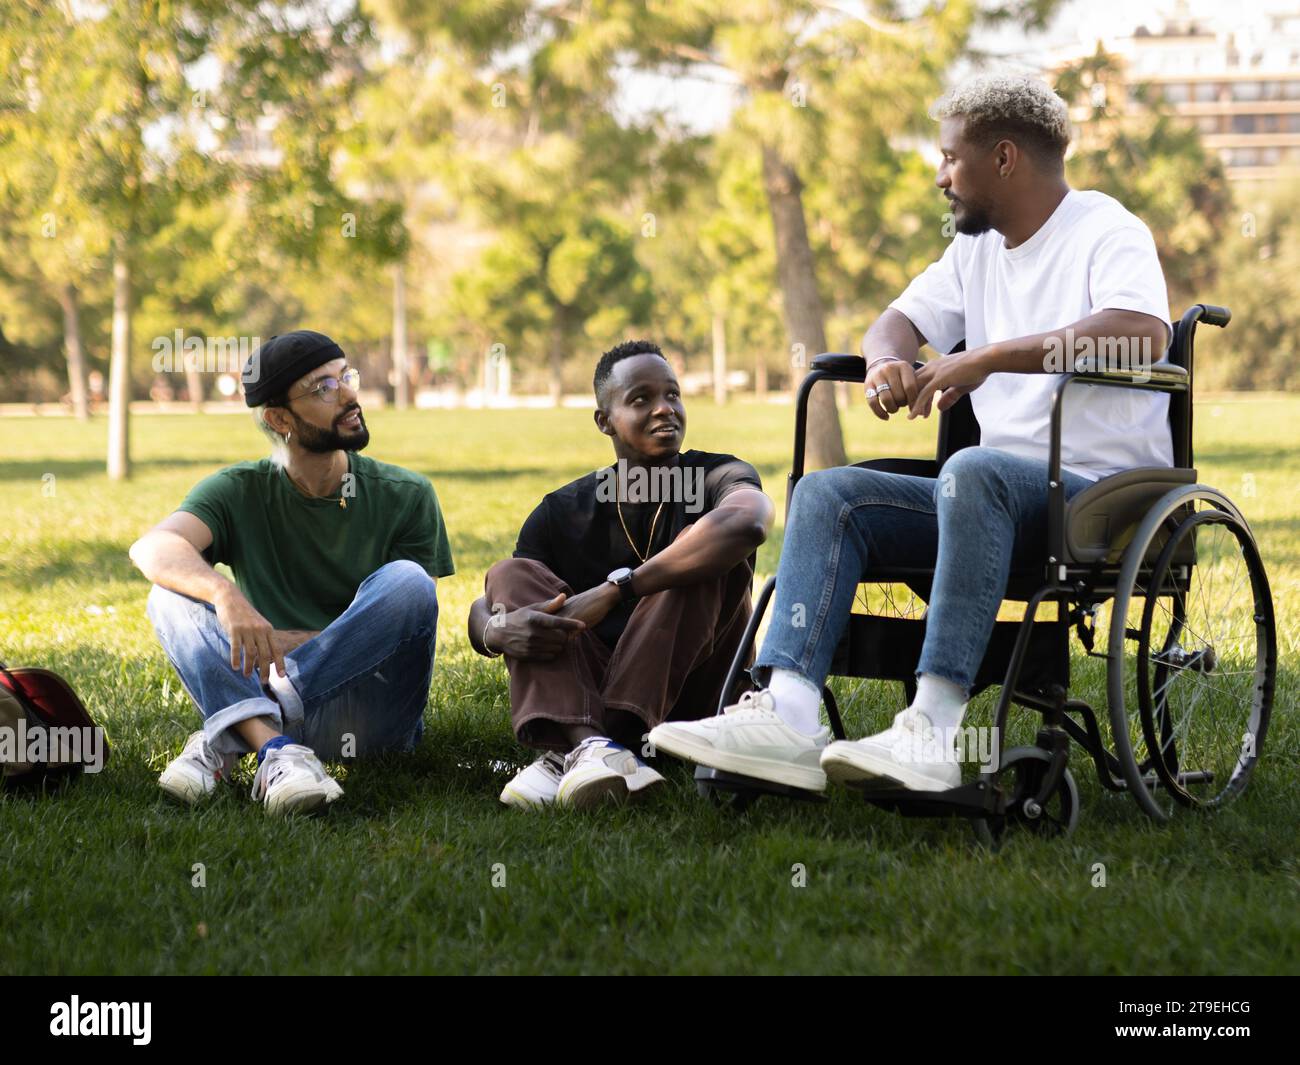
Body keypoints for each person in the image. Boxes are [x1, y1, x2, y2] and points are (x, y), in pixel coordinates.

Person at [650, 73, 1173, 795]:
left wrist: (987, 356)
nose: (939, 177)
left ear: (1005, 157)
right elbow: (893, 322)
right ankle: (791, 714)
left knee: (974, 468)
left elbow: (1143, 334)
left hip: (1095, 496)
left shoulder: (1105, 229)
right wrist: (889, 362)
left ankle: (932, 727)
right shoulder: (976, 252)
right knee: (834, 494)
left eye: (950, 158)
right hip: (986, 499)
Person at [129, 330, 454, 815]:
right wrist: (225, 595)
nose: (349, 394)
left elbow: (404, 624)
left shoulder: (406, 494)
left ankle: (235, 734)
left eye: (347, 376)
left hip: (373, 716)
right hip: (271, 701)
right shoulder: (240, 490)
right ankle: (275, 748)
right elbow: (152, 548)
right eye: (324, 387)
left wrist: (284, 647)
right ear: (279, 418)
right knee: (168, 595)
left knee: (407, 581)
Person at [469, 340, 775, 809]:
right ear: (603, 420)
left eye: (672, 395)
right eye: (641, 399)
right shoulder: (562, 511)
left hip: (698, 695)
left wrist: (619, 588)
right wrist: (494, 629)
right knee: (510, 572)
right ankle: (596, 749)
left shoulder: (715, 475)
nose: (664, 410)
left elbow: (748, 522)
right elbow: (492, 604)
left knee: (699, 547)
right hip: (597, 679)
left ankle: (576, 746)